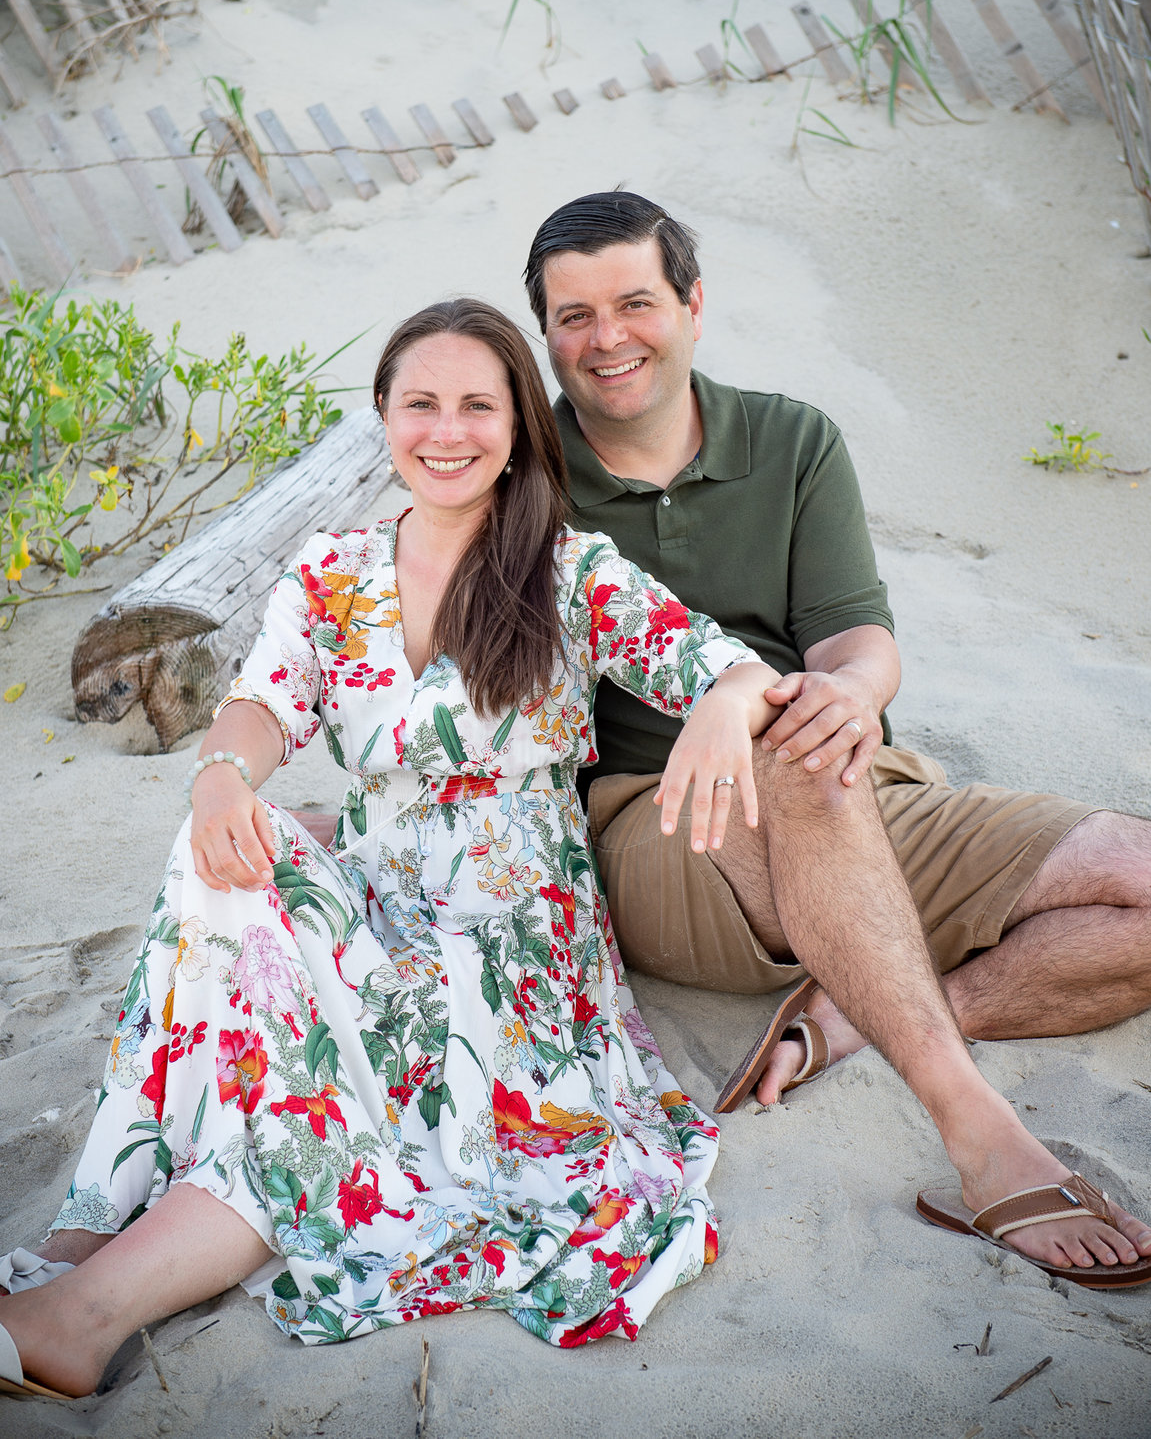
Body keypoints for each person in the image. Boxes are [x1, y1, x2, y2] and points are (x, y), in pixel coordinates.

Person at [0, 299, 780, 1401]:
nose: (447, 430)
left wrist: (718, 705)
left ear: (517, 425)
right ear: (382, 415)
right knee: (217, 857)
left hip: (508, 944)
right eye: (421, 402)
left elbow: (730, 670)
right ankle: (85, 1251)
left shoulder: (569, 570)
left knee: (316, 1061)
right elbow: (261, 705)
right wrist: (222, 771)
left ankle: (85, 1291)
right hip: (374, 896)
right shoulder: (334, 570)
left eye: (477, 404)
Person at [523, 188, 1151, 1286]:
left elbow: (855, 635)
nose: (605, 337)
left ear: (692, 302)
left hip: (853, 787)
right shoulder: (525, 479)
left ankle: (866, 1013)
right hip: (660, 827)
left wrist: (853, 695)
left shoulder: (790, 438)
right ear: (545, 335)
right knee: (791, 736)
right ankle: (977, 1130)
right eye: (572, 316)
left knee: (1131, 877)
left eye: (632, 300)